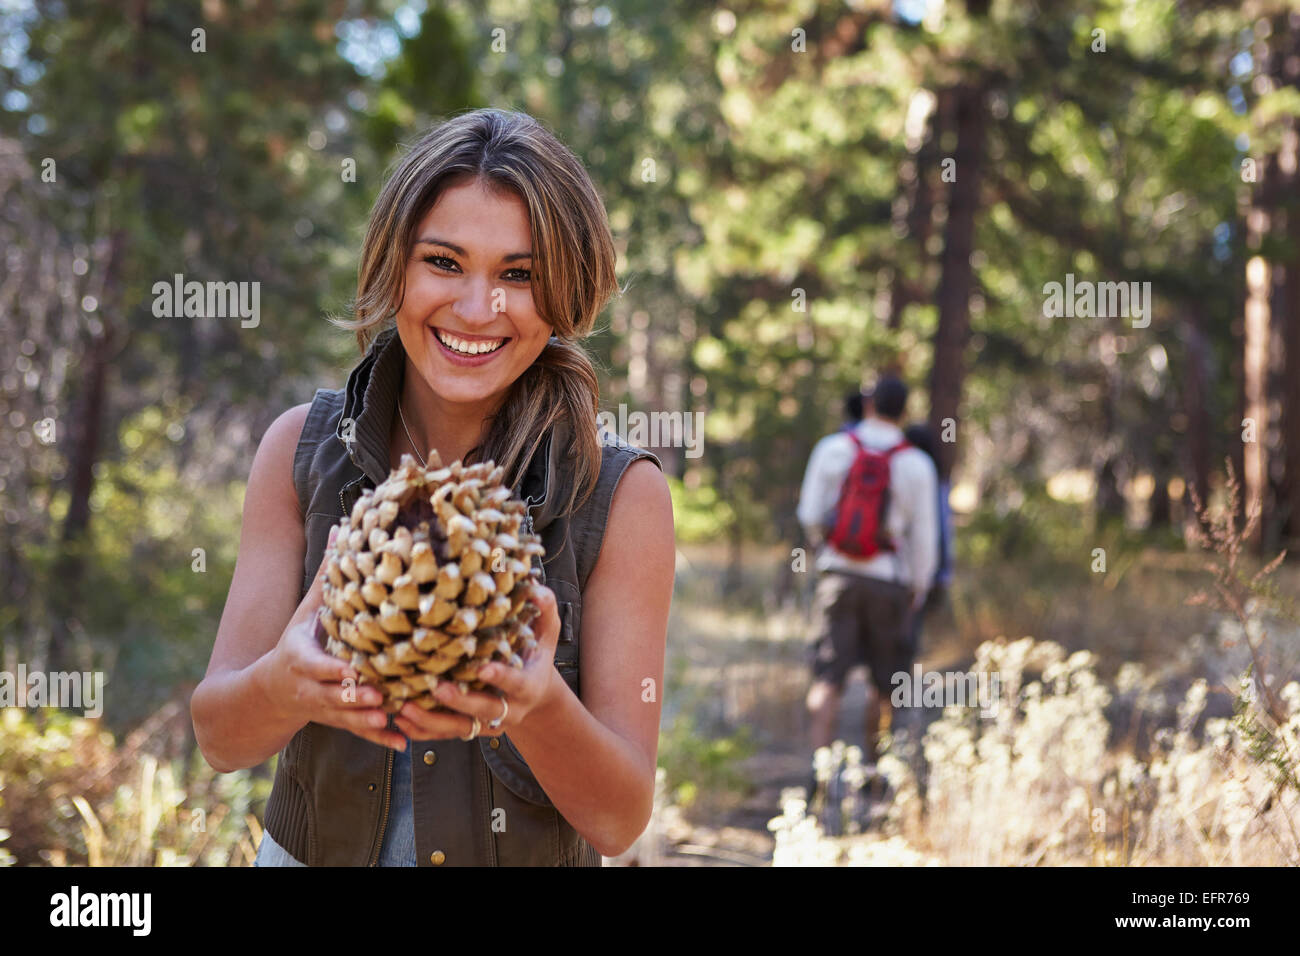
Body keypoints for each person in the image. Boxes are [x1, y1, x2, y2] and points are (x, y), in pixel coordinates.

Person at [191, 108, 676, 867]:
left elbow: (619, 820)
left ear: (564, 291)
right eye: (444, 262)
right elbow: (218, 737)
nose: (478, 309)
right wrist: (285, 683)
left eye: (519, 274)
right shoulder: (299, 449)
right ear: (396, 266)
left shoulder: (621, 496)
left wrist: (538, 703)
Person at [796, 376, 938, 769]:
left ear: (869, 404)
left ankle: (819, 776)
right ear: (904, 411)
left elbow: (809, 514)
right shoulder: (916, 464)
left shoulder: (834, 448)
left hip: (838, 575)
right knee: (885, 684)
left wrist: (829, 545)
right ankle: (875, 771)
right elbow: (925, 538)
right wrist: (919, 587)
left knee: (827, 679)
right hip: (889, 580)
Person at [901, 422, 954, 657]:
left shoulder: (896, 473)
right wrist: (941, 574)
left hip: (888, 570)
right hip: (919, 574)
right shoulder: (937, 484)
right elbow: (943, 532)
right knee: (906, 642)